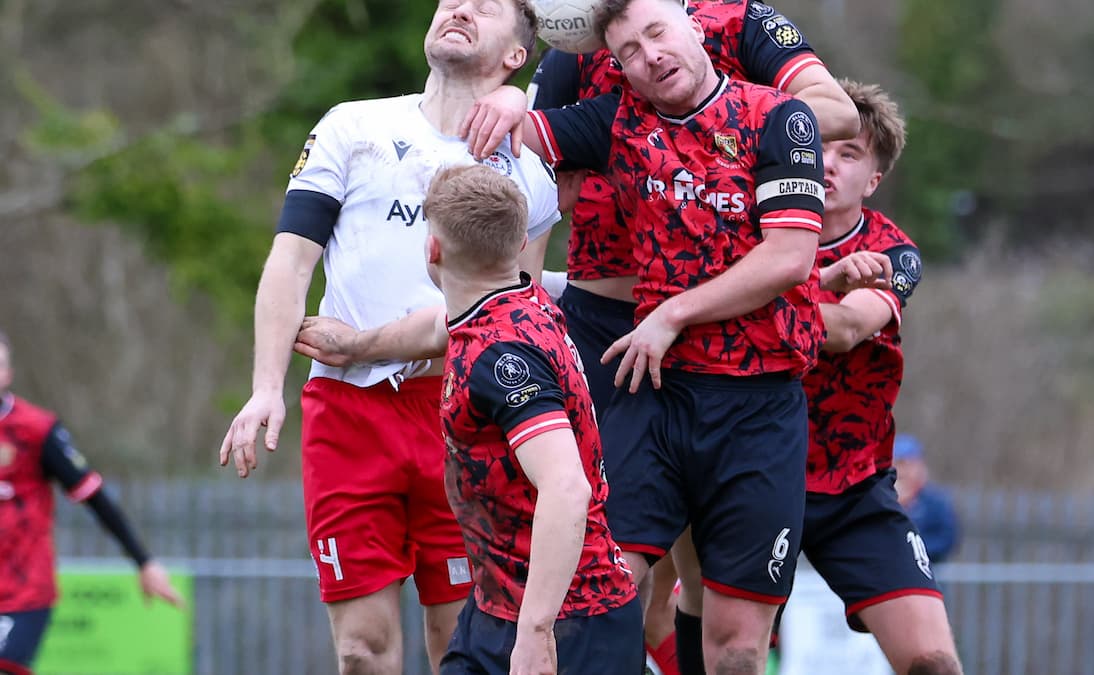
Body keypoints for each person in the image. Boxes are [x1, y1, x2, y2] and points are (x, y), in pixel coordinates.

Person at [216, 0, 560, 670]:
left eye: (483, 7)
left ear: (516, 54)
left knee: (457, 646)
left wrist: (369, 341)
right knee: (362, 650)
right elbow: (290, 260)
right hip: (349, 414)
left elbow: (506, 316)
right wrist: (266, 389)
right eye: (449, 0)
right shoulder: (354, 127)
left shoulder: (531, 176)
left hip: (462, 418)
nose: (458, 8)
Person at [518, 6, 860, 672]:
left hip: (756, 393)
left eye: (658, 34)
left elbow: (793, 250)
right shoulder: (614, 112)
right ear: (614, 63)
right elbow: (516, 152)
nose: (649, 54)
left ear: (693, 26)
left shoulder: (772, 99)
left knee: (733, 638)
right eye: (629, 50)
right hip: (641, 370)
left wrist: (738, 137)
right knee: (604, 582)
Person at [424, 164, 641, 674]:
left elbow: (567, 486)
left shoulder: (502, 356)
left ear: (432, 249)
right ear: (521, 243)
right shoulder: (521, 300)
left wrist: (536, 630)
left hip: (570, 620)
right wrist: (355, 345)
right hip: (496, 604)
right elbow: (436, 326)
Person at [795, 80, 962, 675]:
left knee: (933, 662)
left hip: (853, 484)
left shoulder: (893, 253)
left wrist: (751, 302)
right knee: (727, 651)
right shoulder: (752, 232)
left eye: (849, 154)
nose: (826, 163)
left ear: (873, 180)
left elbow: (839, 331)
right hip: (755, 475)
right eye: (818, 145)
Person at [0, 331, 182, 675]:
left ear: (7, 374)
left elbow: (94, 497)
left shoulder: (35, 431)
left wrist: (143, 561)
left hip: (21, 592)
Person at [893, 434, 960, 564]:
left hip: (929, 571)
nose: (903, 471)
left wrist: (912, 551)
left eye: (909, 464)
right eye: (898, 464)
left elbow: (946, 539)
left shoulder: (935, 502)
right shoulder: (882, 499)